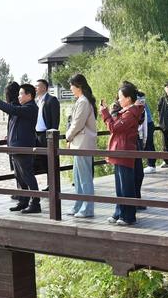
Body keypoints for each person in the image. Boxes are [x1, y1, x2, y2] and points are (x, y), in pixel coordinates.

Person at [0, 83, 42, 214]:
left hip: (23, 147)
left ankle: (35, 203)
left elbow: (12, 110)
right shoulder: (22, 107)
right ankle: (23, 201)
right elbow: (13, 115)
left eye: (21, 93)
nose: (18, 96)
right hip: (15, 147)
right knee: (19, 176)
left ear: (29, 95)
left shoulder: (31, 108)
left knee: (27, 175)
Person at [100, 84, 144, 226]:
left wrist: (105, 113)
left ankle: (129, 215)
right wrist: (109, 114)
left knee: (126, 186)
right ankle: (119, 212)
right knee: (120, 186)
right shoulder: (126, 111)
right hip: (119, 149)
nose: (118, 100)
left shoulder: (131, 113)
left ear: (128, 98)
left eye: (120, 97)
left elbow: (114, 128)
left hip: (124, 150)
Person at [65, 74, 98, 218]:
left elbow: (77, 123)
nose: (70, 88)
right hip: (79, 143)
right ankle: (78, 205)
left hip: (83, 144)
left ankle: (87, 208)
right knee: (78, 178)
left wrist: (68, 136)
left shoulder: (83, 102)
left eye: (71, 85)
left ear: (78, 86)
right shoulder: (82, 100)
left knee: (84, 178)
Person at [34, 78, 61, 179]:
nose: (35, 88)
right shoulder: (37, 101)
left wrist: (52, 136)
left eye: (37, 86)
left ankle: (54, 186)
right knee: (44, 162)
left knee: (51, 161)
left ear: (44, 87)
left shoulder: (51, 100)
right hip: (38, 135)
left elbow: (55, 120)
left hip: (48, 135)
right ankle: (49, 185)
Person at [2, 81, 21, 204]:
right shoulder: (19, 105)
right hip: (14, 139)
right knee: (19, 169)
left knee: (19, 170)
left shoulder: (15, 106)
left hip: (17, 143)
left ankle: (22, 193)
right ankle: (21, 192)